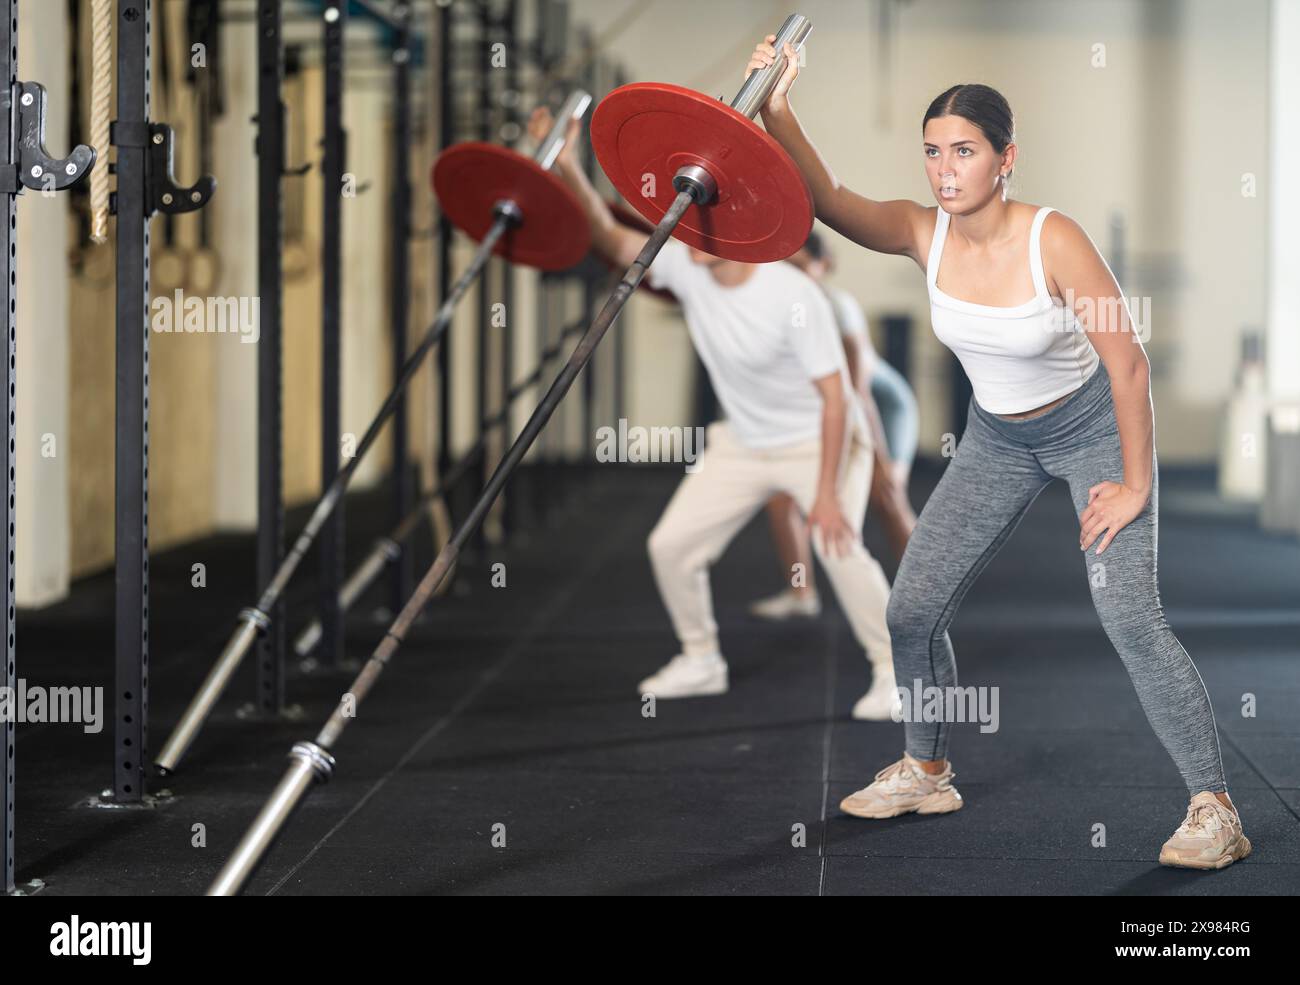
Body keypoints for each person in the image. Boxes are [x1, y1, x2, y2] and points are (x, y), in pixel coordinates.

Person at [743, 39, 1249, 869]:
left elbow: (1128, 365)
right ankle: (928, 766)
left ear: (1006, 159)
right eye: (934, 152)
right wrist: (777, 106)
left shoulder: (1054, 241)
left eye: (964, 152)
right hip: (997, 439)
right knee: (910, 609)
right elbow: (827, 198)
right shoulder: (921, 231)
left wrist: (1132, 484)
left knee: (1129, 615)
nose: (945, 170)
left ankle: (1214, 807)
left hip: (1090, 429)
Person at [527, 106, 897, 711]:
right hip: (745, 442)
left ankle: (892, 672)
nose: (685, 233)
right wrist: (568, 165)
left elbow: (837, 398)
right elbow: (612, 238)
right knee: (670, 546)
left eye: (700, 223)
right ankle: (700, 659)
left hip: (820, 439)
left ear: (735, 226)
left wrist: (826, 494)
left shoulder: (791, 294)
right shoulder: (689, 267)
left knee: (838, 544)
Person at [751, 231, 919, 653]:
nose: (793, 275)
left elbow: (858, 393)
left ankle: (924, 597)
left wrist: (880, 461)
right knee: (780, 498)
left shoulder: (837, 309)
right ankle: (800, 593)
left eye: (801, 265)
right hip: (829, 411)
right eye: (784, 266)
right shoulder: (778, 311)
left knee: (888, 499)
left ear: (824, 266)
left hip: (881, 405)